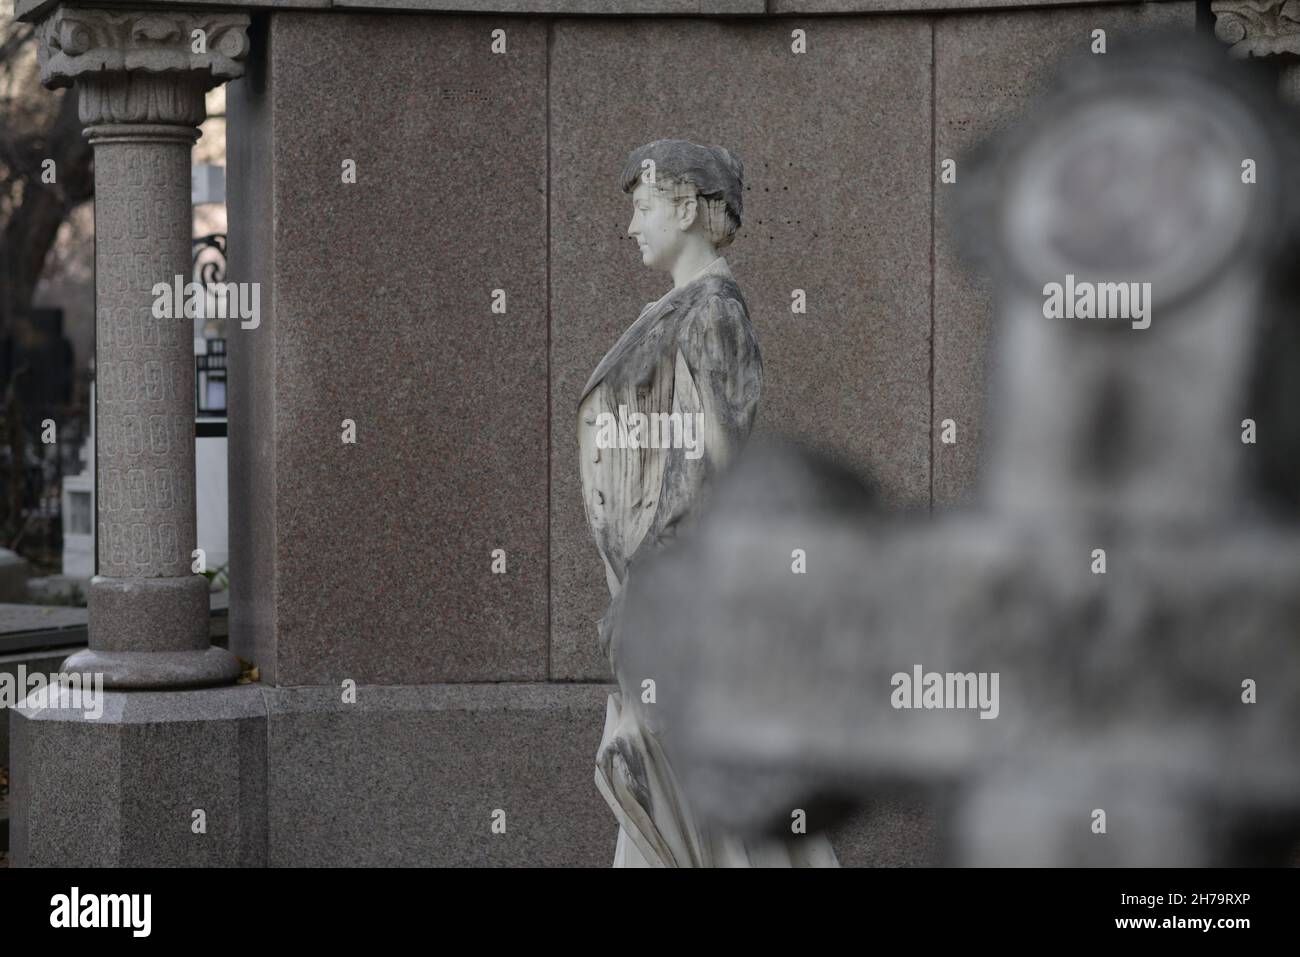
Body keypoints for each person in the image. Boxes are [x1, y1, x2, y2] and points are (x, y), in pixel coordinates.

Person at [577, 138, 838, 867]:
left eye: (643, 205)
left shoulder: (712, 313)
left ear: (687, 206)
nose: (631, 224)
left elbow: (712, 468)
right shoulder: (678, 310)